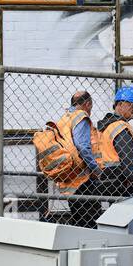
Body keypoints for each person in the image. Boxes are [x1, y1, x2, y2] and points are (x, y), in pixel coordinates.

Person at [50, 90, 103, 227]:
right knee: (91, 222)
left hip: (70, 176)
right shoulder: (81, 116)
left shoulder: (65, 118)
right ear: (87, 104)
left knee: (79, 221)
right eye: (91, 106)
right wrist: (96, 169)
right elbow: (82, 146)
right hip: (83, 179)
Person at [92, 86, 133, 205]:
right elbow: (128, 159)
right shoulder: (120, 128)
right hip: (124, 184)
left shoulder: (106, 127)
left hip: (109, 181)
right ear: (120, 104)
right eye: (132, 104)